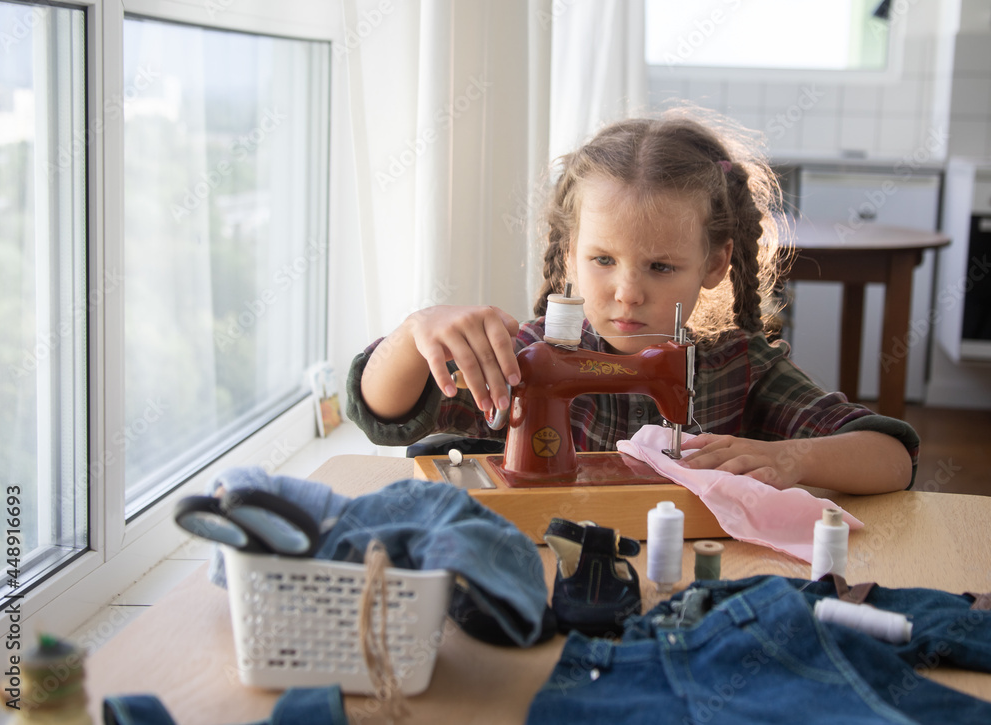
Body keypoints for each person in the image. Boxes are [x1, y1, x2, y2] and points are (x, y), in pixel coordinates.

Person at [346, 110, 917, 494]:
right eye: (603, 260)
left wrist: (794, 460)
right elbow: (383, 414)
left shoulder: (739, 368)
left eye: (661, 266)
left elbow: (892, 456)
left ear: (715, 264)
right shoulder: (520, 360)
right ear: (569, 252)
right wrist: (416, 331)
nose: (628, 292)